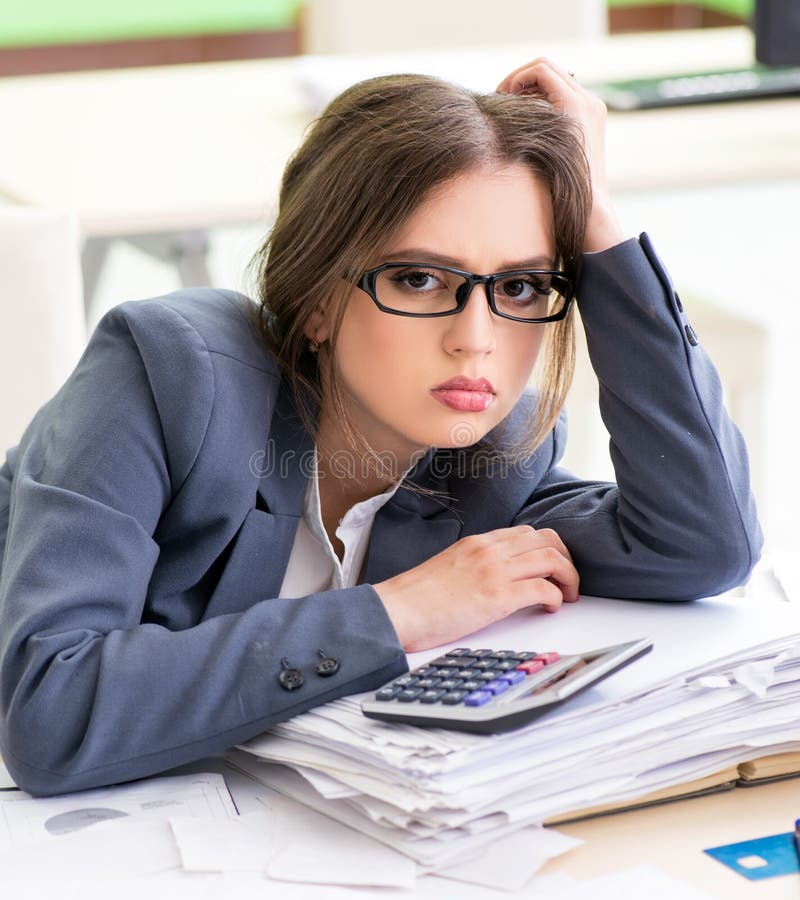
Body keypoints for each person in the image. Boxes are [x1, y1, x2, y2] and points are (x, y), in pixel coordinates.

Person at [0, 60, 761, 796]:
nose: (477, 340)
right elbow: (50, 710)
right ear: (319, 300)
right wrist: (402, 610)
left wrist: (594, 218)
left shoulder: (492, 455)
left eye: (523, 286)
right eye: (420, 278)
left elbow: (702, 544)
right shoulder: (170, 373)